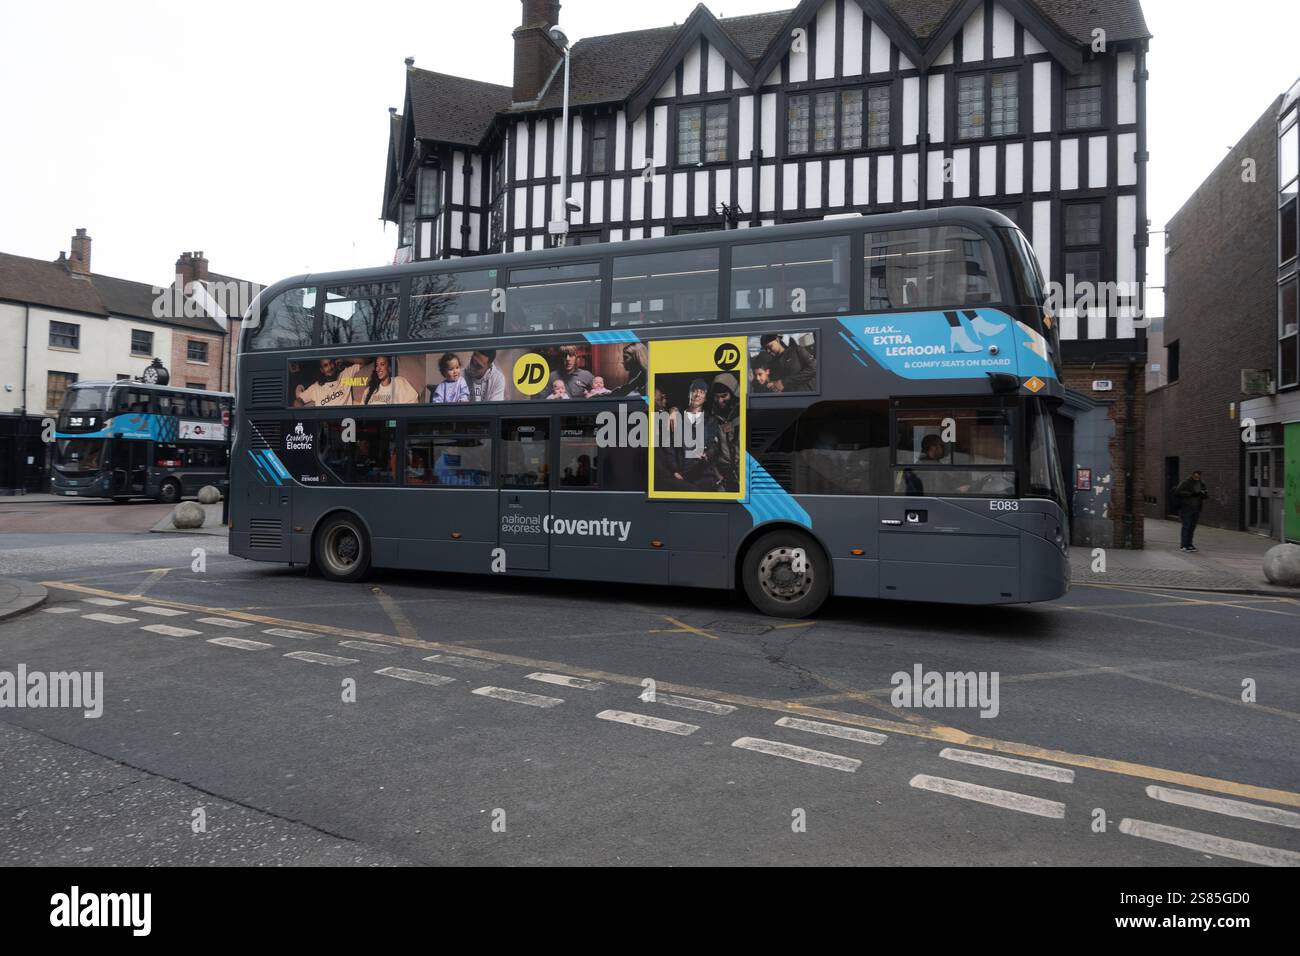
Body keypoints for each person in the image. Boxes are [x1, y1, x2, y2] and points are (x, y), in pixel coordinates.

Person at [702, 372, 741, 492]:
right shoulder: (713, 416)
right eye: (717, 397)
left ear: (734, 394)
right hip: (723, 475)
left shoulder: (744, 413)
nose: (720, 401)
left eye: (724, 396)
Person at [294, 357, 363, 407]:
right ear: (322, 370)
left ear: (335, 363)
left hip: (345, 420)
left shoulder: (346, 374)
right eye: (325, 365)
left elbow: (365, 361)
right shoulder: (315, 388)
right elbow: (298, 401)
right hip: (325, 422)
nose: (330, 367)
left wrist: (343, 358)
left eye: (331, 363)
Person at [1175, 470, 1209, 552]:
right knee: (1186, 526)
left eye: (1198, 476)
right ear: (1192, 475)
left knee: (1192, 527)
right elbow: (1177, 492)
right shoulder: (1186, 482)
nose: (1197, 478)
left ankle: (1189, 544)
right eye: (1195, 476)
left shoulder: (1202, 483)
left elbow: (1205, 495)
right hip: (1186, 507)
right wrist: (1191, 494)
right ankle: (1183, 545)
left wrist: (1204, 494)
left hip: (1196, 508)